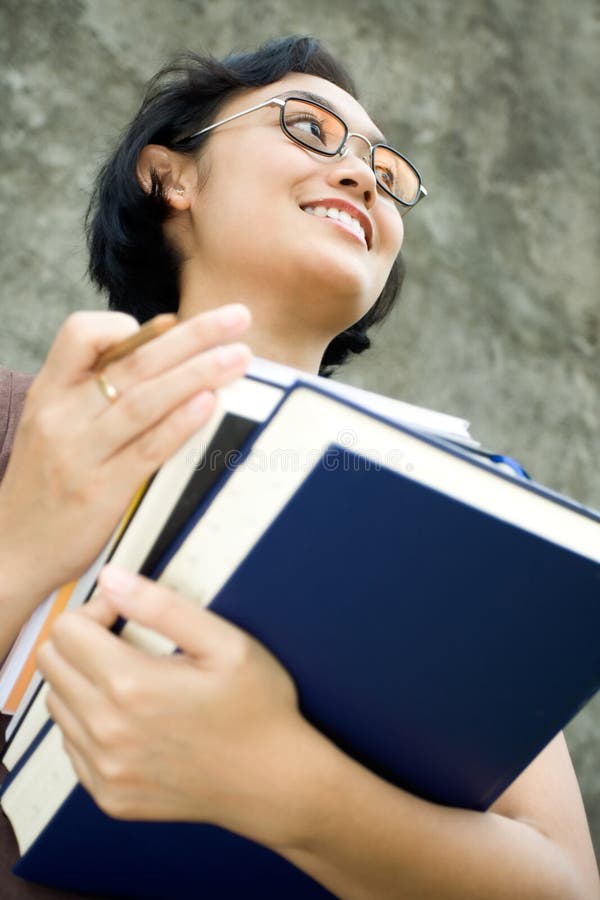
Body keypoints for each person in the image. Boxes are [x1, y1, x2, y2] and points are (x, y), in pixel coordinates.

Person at [0, 35, 597, 900]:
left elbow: (568, 886)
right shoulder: (19, 422)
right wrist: (19, 549)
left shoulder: (444, 513)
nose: (362, 176)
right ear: (173, 178)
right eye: (309, 130)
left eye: (388, 174)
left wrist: (278, 779)